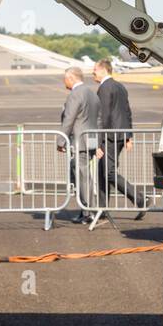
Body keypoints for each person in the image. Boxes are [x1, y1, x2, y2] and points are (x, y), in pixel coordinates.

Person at [93, 58, 146, 215]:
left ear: (103, 70)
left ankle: (140, 199)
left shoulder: (104, 88)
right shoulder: (120, 86)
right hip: (120, 135)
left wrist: (96, 142)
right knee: (103, 172)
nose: (92, 73)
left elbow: (103, 117)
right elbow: (127, 112)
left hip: (109, 136)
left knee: (108, 172)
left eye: (94, 70)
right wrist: (129, 137)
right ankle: (102, 210)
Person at [59, 67, 99, 223]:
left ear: (71, 78)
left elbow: (69, 118)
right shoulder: (92, 93)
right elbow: (99, 120)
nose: (64, 81)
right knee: (82, 175)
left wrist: (61, 140)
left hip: (79, 142)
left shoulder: (76, 94)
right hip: (90, 141)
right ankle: (86, 210)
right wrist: (98, 143)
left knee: (82, 177)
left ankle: (88, 210)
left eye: (65, 78)